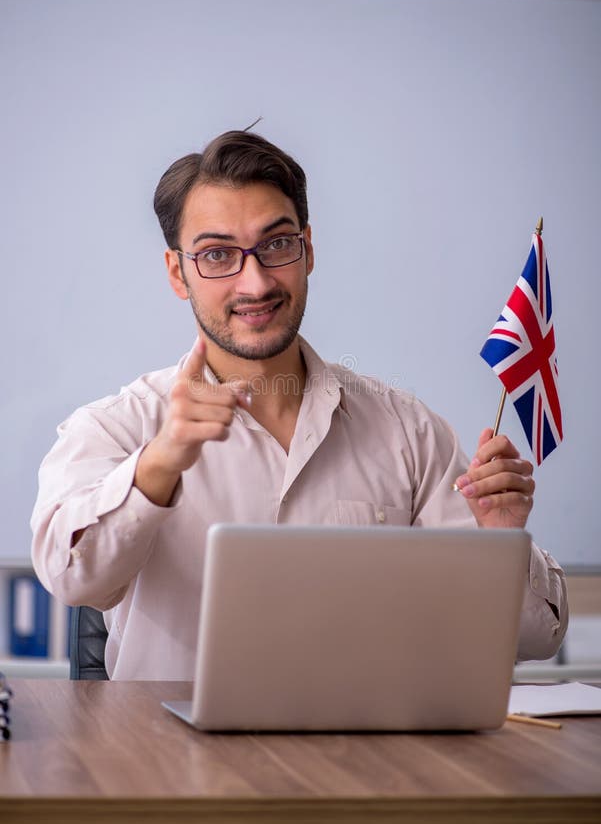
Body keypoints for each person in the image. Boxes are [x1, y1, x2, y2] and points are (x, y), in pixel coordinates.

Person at [31, 131, 568, 680]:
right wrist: (160, 462)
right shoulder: (117, 426)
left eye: (277, 244)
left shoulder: (407, 431)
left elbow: (533, 639)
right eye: (217, 255)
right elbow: (72, 578)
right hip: (172, 761)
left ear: (307, 249)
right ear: (178, 272)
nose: (256, 281)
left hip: (365, 761)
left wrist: (502, 542)